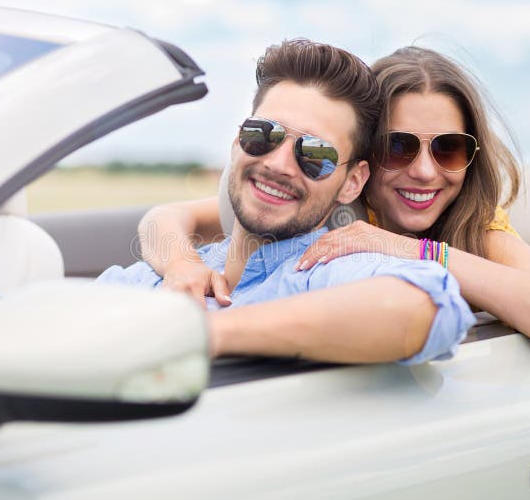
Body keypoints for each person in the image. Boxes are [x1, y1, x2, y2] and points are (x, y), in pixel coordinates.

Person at [138, 45, 530, 363]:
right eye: (400, 146)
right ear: (361, 167)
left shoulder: (475, 228)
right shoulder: (317, 197)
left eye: (448, 148)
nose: (424, 170)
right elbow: (167, 218)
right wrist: (180, 263)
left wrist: (412, 250)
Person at [98, 39, 475, 365]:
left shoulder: (329, 274)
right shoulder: (153, 277)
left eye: (315, 153)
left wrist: (202, 332)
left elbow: (428, 306)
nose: (278, 164)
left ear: (352, 183)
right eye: (263, 134)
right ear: (237, 144)